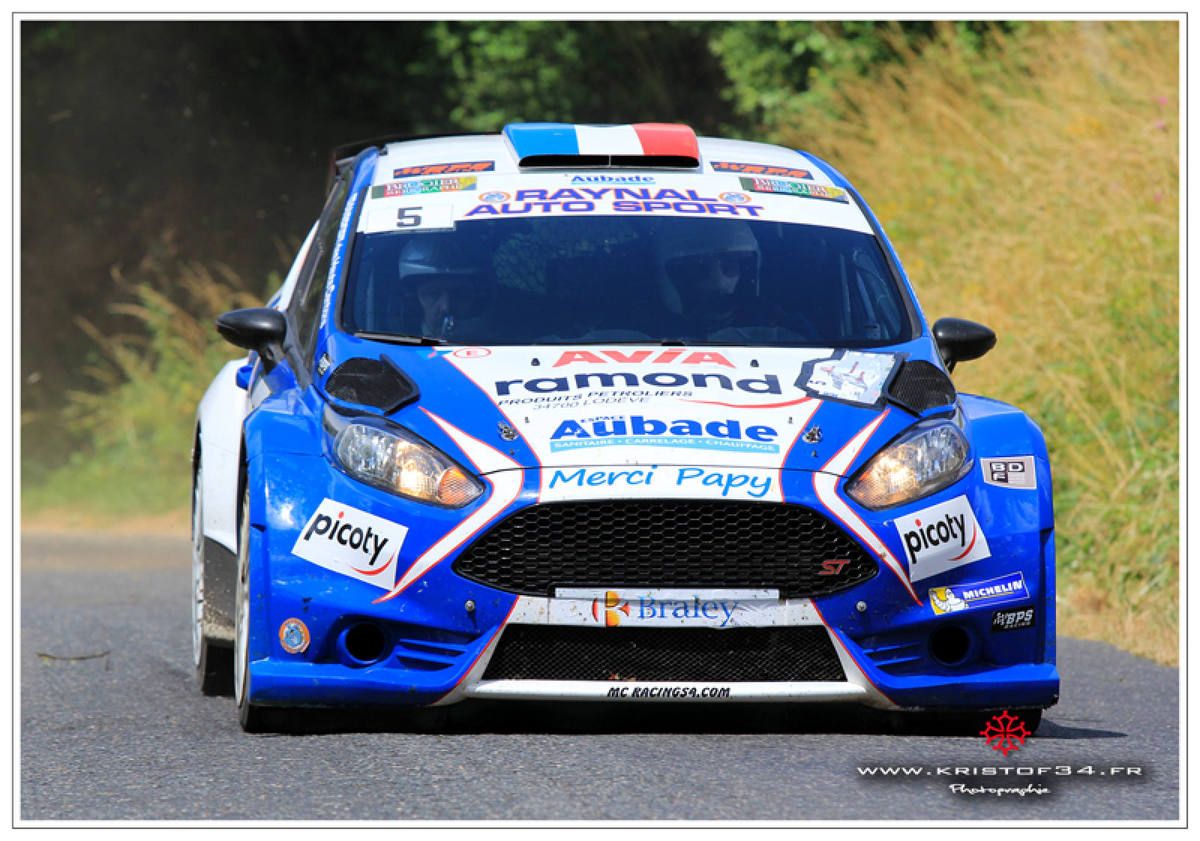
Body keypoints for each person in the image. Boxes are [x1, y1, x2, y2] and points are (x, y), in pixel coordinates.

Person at [654, 219, 761, 335]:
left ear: (744, 270)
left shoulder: (769, 323)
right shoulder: (649, 329)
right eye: (701, 268)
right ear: (680, 276)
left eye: (728, 265)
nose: (719, 282)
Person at [397, 233, 495, 339]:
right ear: (414, 300)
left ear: (479, 300)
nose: (446, 307)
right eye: (433, 294)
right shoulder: (391, 347)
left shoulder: (509, 344)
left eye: (459, 294)